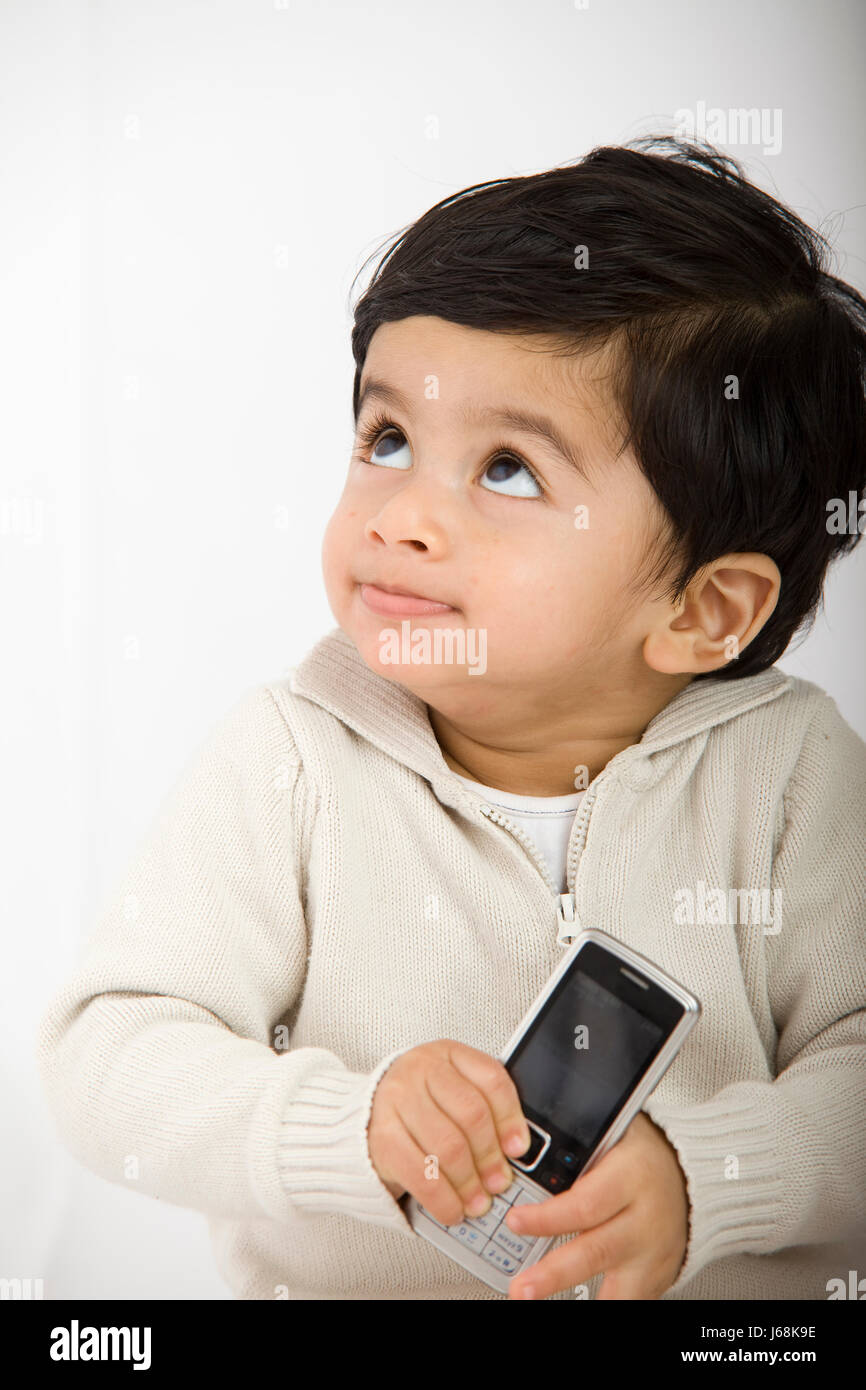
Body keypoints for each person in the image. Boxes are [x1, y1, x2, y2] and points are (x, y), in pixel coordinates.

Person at [37, 136, 866, 1300]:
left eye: (508, 470)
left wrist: (711, 1174)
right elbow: (108, 1056)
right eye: (387, 440)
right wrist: (352, 1119)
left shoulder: (791, 783)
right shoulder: (291, 760)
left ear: (701, 608)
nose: (402, 514)